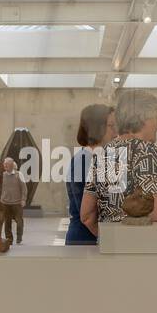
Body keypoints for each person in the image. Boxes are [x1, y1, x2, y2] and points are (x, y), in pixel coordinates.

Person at [81, 90, 157, 234]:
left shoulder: (103, 152)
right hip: (144, 248)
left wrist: (109, 239)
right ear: (142, 117)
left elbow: (87, 216)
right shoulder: (145, 150)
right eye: (156, 118)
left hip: (111, 248)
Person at [65, 104, 115, 245]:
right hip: (85, 241)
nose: (116, 132)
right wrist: (109, 240)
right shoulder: (85, 160)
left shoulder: (95, 158)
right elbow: (87, 216)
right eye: (111, 126)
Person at [0, 156, 25, 245]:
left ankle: (19, 237)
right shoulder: (2, 175)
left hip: (17, 202)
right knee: (7, 222)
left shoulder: (19, 174)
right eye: (4, 164)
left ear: (12, 165)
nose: (5, 166)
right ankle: (9, 239)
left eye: (7, 164)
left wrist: (23, 199)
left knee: (19, 221)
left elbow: (24, 188)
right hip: (5, 203)